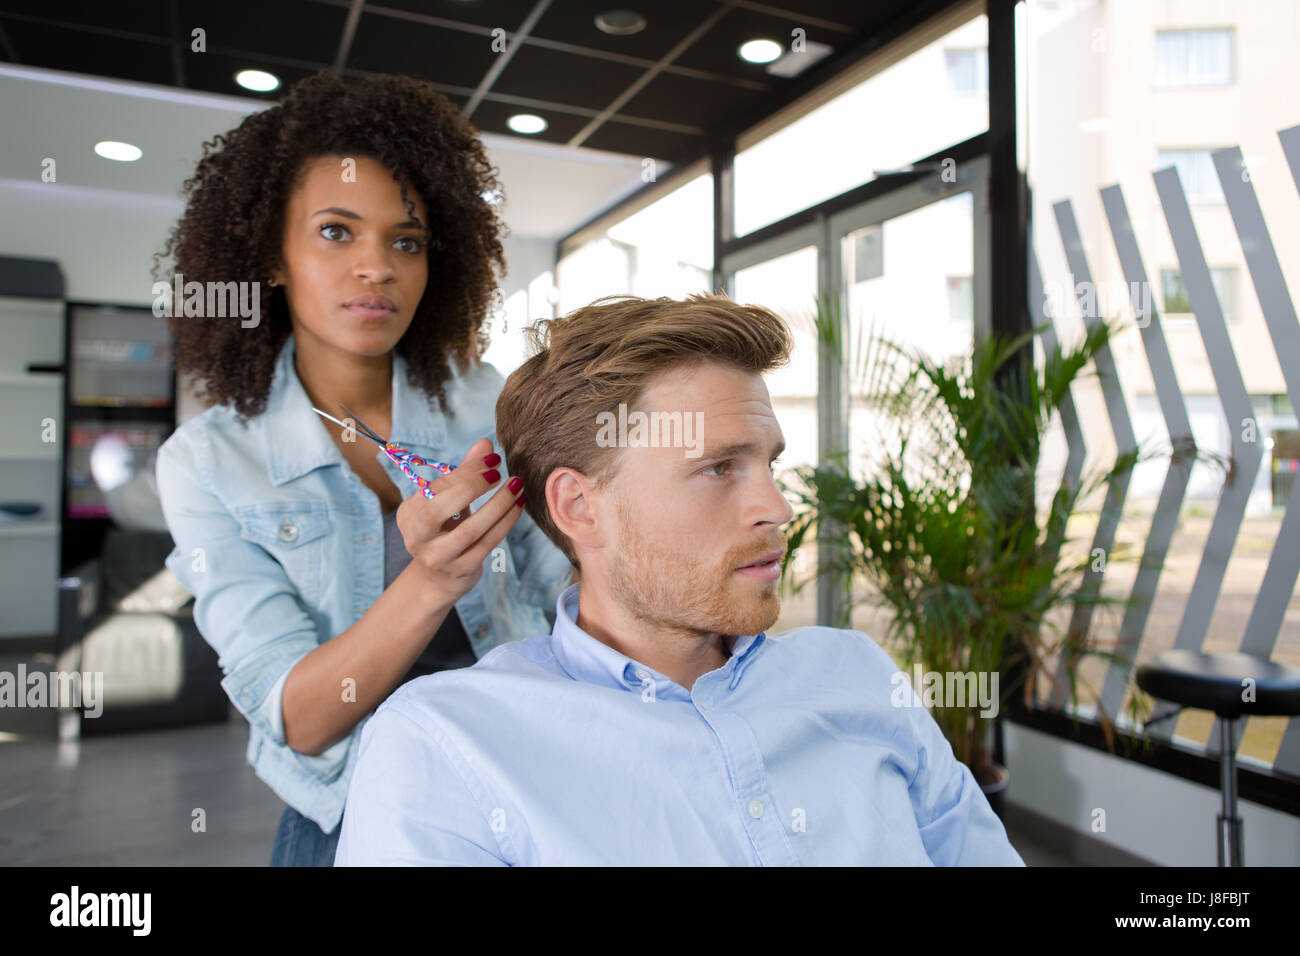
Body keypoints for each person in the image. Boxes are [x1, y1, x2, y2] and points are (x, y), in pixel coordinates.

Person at [335, 292, 1025, 866]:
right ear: (579, 506)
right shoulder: (444, 747)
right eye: (719, 468)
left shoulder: (859, 678)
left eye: (768, 464)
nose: (778, 508)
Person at [153, 70, 574, 866]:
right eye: (337, 232)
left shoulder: (484, 401)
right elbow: (298, 714)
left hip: (520, 784)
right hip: (348, 814)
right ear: (270, 257)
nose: (376, 266)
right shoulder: (207, 463)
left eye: (405, 241)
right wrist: (431, 582)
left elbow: (564, 590)